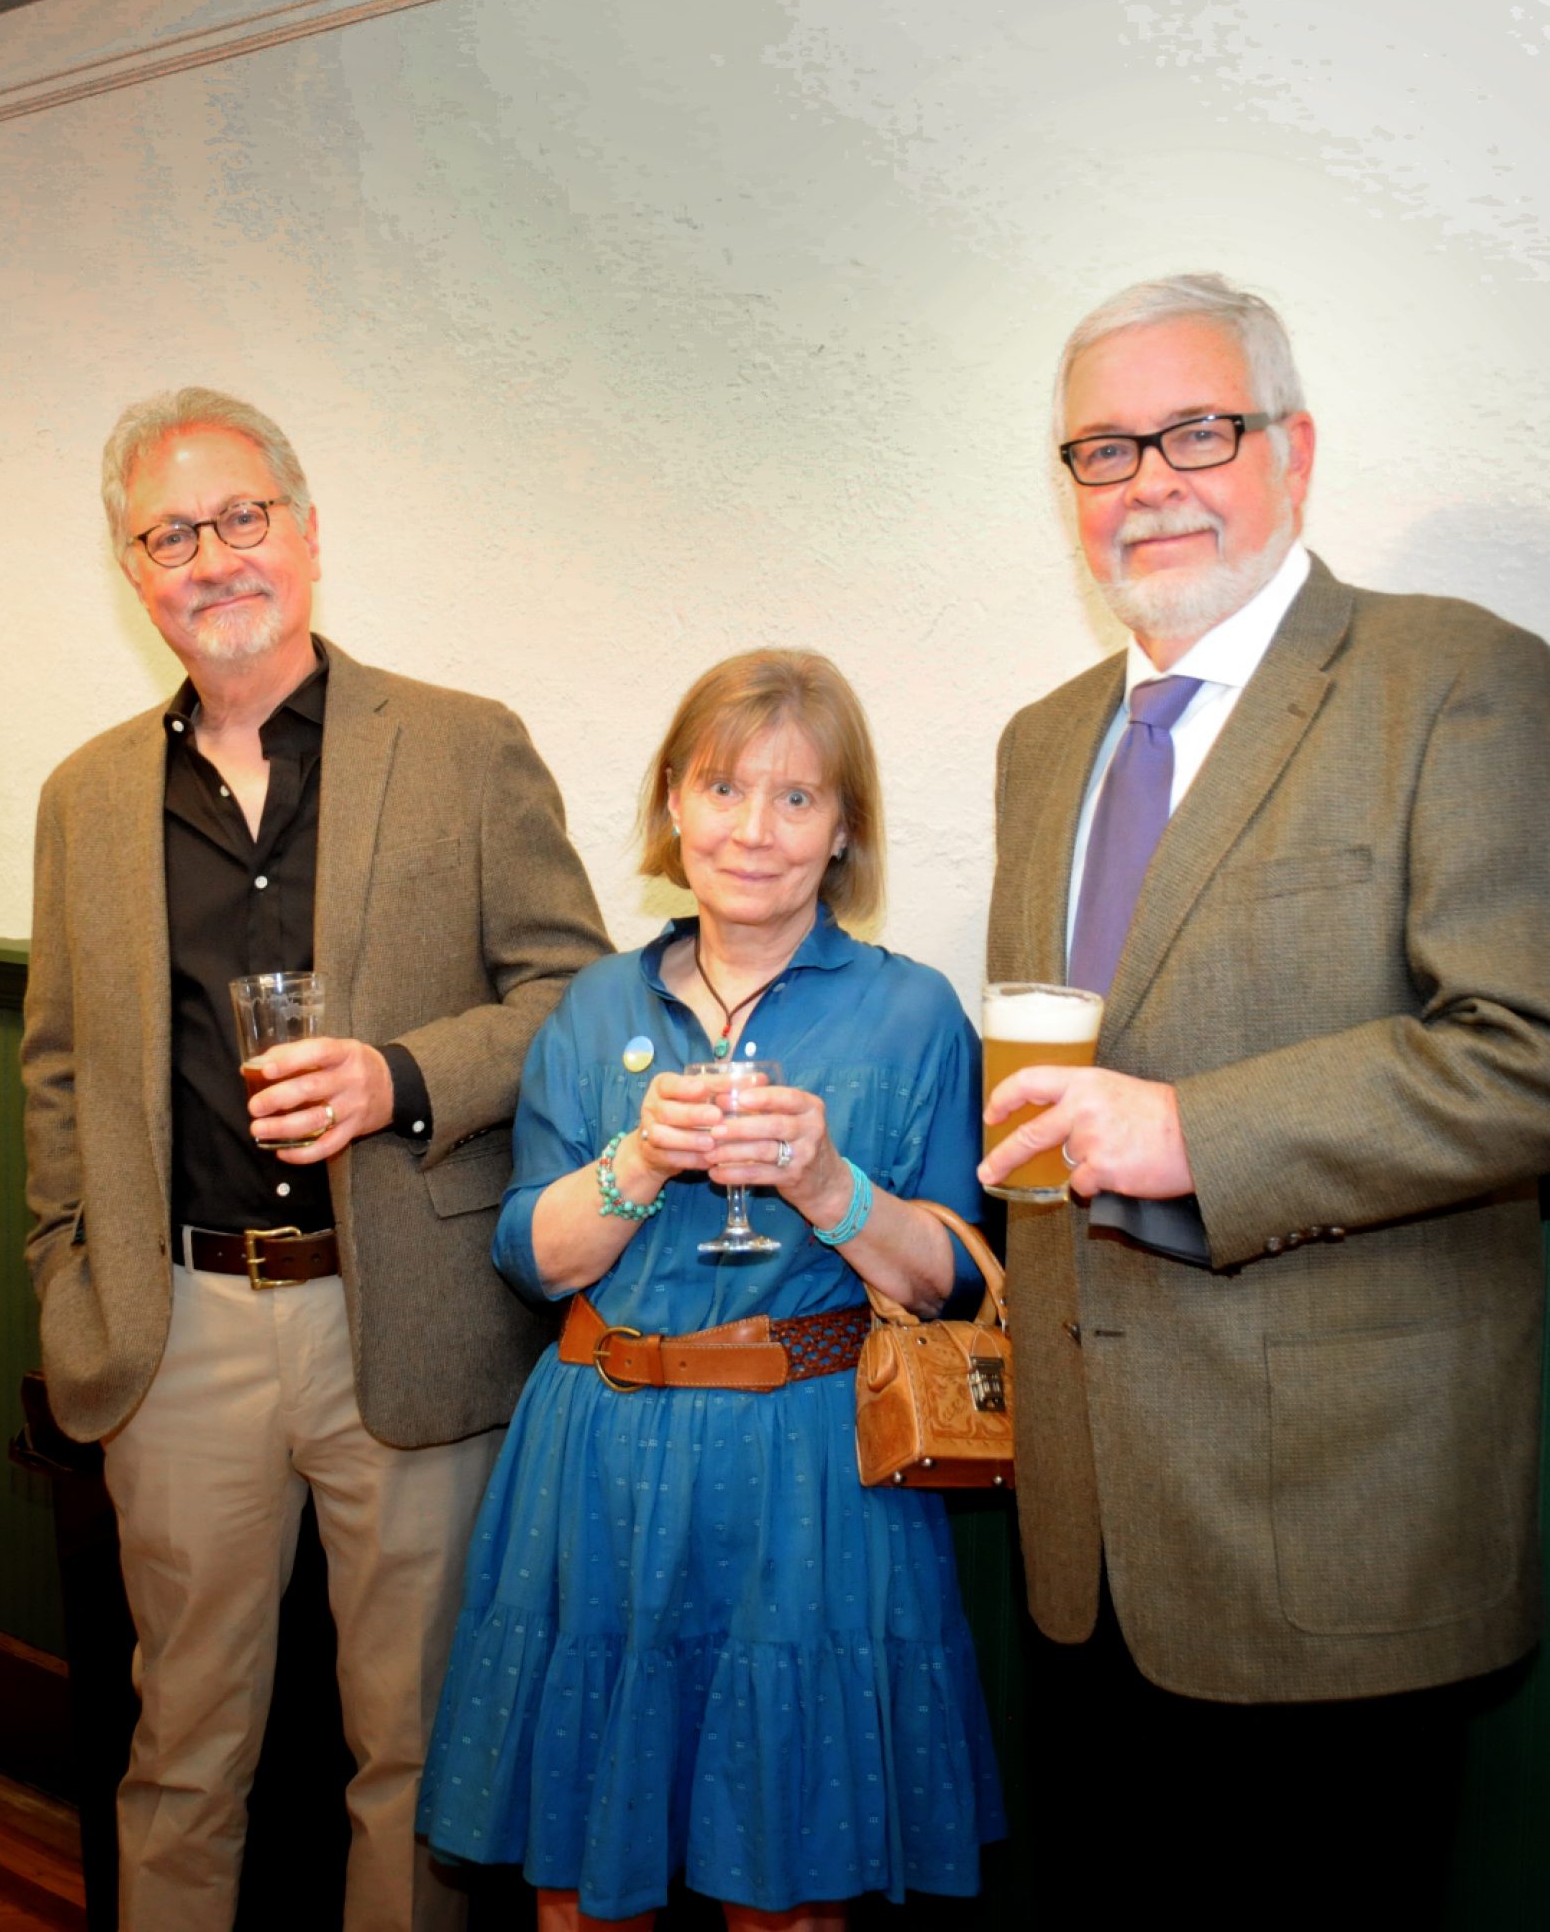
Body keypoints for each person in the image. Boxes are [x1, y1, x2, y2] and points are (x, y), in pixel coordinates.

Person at [978, 273, 1550, 1913]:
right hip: (1085, 1550)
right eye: (1100, 448)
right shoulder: (1041, 742)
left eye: (1195, 429)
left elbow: (1524, 1048)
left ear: (1289, 452)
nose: (1146, 477)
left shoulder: (1453, 678)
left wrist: (1187, 1130)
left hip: (1340, 1533)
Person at [21, 387, 608, 1930]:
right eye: (171, 533)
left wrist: (401, 1077)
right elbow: (60, 1067)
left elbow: (574, 998)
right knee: (181, 1753)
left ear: (307, 531)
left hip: (403, 1323)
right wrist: (71, 1284)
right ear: (131, 568)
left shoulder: (467, 746)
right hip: (182, 1331)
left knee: (413, 1756)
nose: (212, 558)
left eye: (241, 519)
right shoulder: (86, 795)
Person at [418, 649, 1004, 1931]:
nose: (752, 829)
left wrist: (827, 1183)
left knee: (786, 1879)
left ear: (844, 826)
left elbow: (953, 1278)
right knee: (581, 1870)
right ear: (670, 804)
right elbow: (529, 1253)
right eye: (722, 786)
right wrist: (636, 1158)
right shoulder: (588, 1006)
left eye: (797, 798)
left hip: (810, 1468)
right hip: (598, 1447)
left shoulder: (911, 1014)